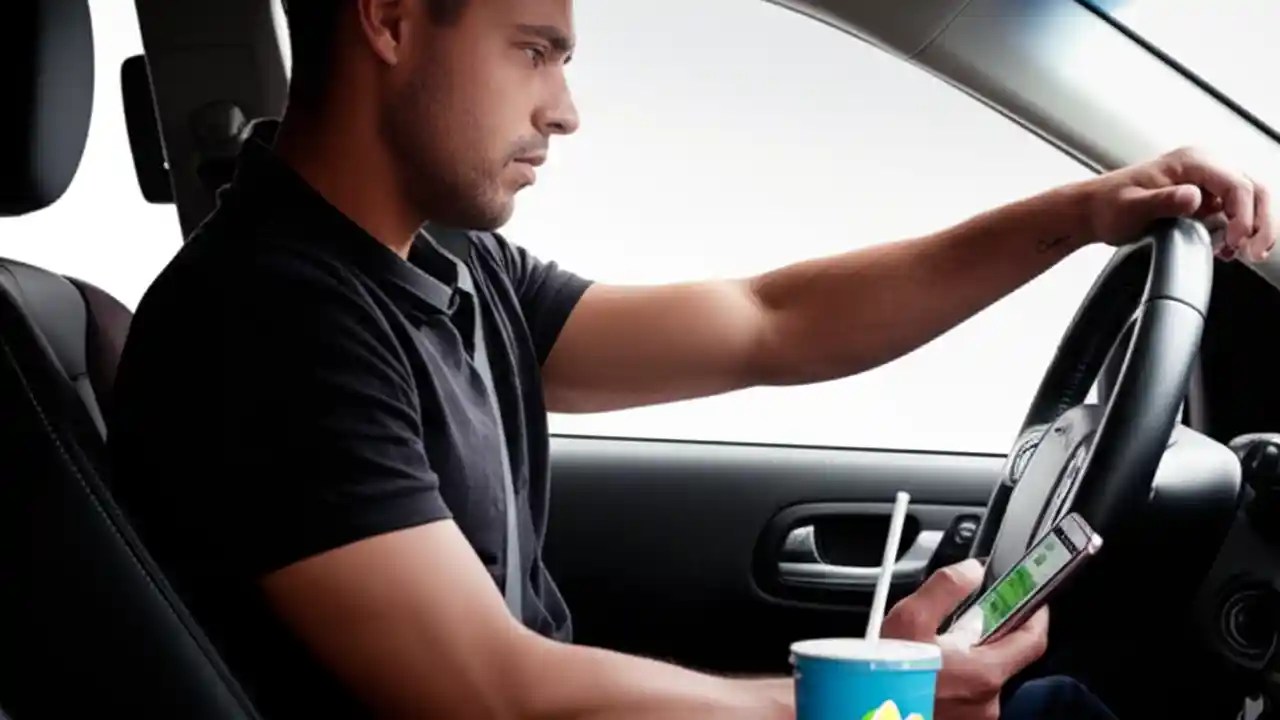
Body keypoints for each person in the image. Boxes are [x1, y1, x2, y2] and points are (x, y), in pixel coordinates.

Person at [107, 0, 1276, 718]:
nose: (563, 109)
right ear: (391, 16)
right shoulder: (271, 322)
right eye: (533, 49)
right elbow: (488, 694)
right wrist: (859, 703)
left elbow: (768, 323)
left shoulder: (445, 271)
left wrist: (1077, 213)